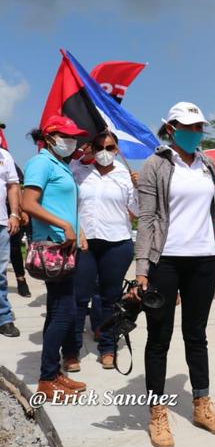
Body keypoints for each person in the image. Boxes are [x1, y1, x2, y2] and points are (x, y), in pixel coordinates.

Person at [135, 102, 215, 447]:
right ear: (171, 128)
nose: (196, 133)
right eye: (189, 127)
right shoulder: (155, 165)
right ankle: (157, 412)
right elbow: (146, 219)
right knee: (158, 337)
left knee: (197, 334)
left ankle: (202, 404)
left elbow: (211, 211)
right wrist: (142, 268)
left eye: (199, 127)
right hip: (167, 261)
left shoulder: (207, 165)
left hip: (203, 260)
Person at [21, 116, 88, 398]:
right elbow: (28, 202)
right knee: (64, 312)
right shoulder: (40, 162)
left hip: (65, 246)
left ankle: (52, 372)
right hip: (53, 247)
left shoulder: (60, 164)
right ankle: (47, 379)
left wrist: (77, 229)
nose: (71, 141)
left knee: (60, 311)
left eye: (74, 136)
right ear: (48, 137)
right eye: (65, 135)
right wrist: (64, 226)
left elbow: (61, 204)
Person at [70, 132, 138, 370]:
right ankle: (71, 350)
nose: (104, 152)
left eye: (109, 147)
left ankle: (108, 348)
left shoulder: (125, 176)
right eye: (99, 147)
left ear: (117, 149)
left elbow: (137, 211)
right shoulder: (78, 170)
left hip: (117, 242)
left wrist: (139, 188)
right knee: (79, 298)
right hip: (84, 242)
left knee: (111, 299)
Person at [0, 145, 22, 337]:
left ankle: (4, 317)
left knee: (0, 273)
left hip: (1, 222)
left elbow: (13, 185)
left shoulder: (5, 155)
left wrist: (14, 213)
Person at [7, 162, 30, 298]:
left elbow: (19, 188)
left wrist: (22, 210)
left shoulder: (8, 161)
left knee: (14, 248)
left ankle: (21, 280)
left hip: (10, 211)